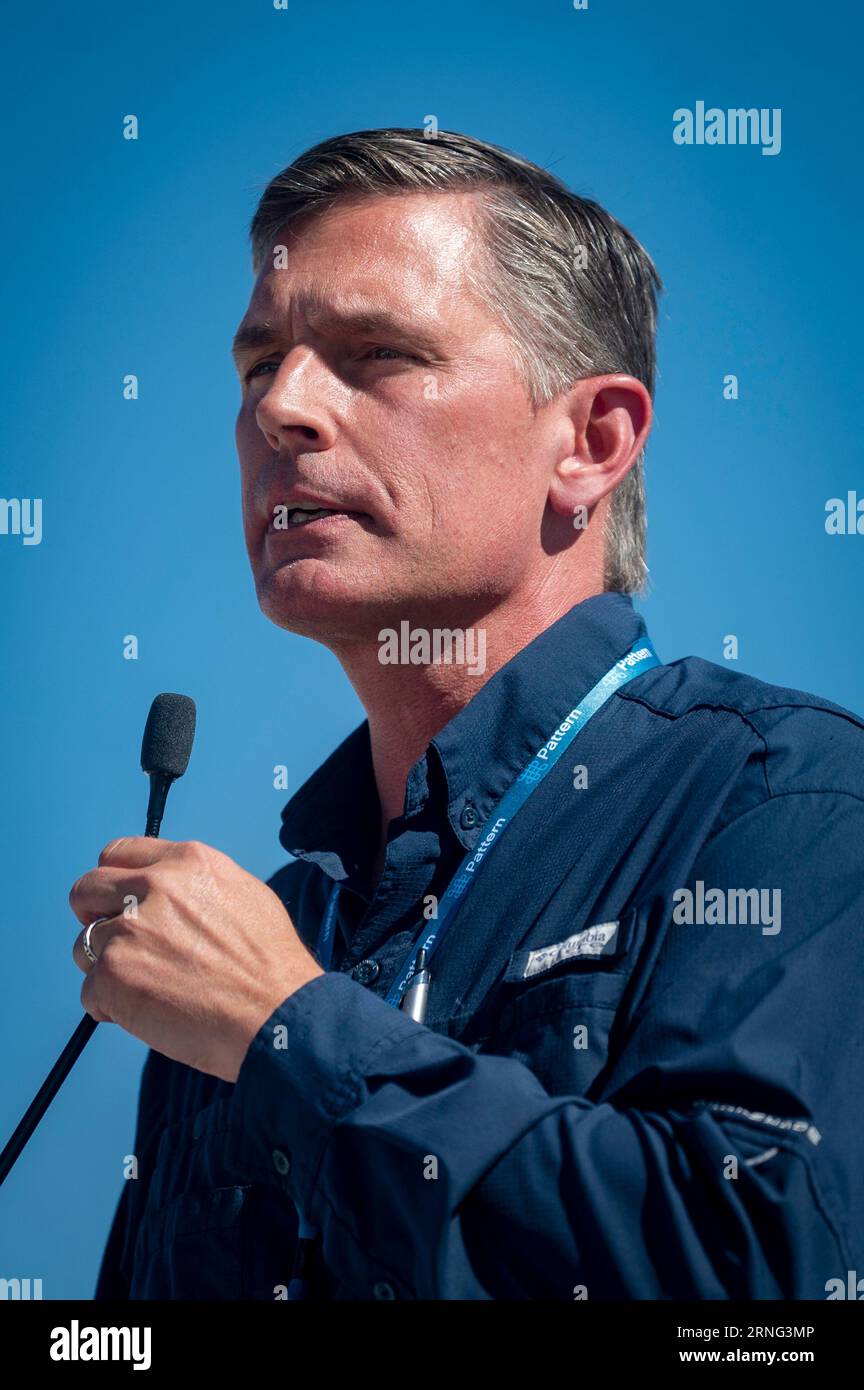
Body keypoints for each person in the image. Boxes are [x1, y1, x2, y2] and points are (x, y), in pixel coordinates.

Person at [71, 128, 864, 1300]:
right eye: (257, 366)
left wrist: (291, 1033)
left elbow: (752, 1284)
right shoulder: (261, 935)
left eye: (375, 352)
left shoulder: (783, 801)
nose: (282, 407)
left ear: (591, 443)